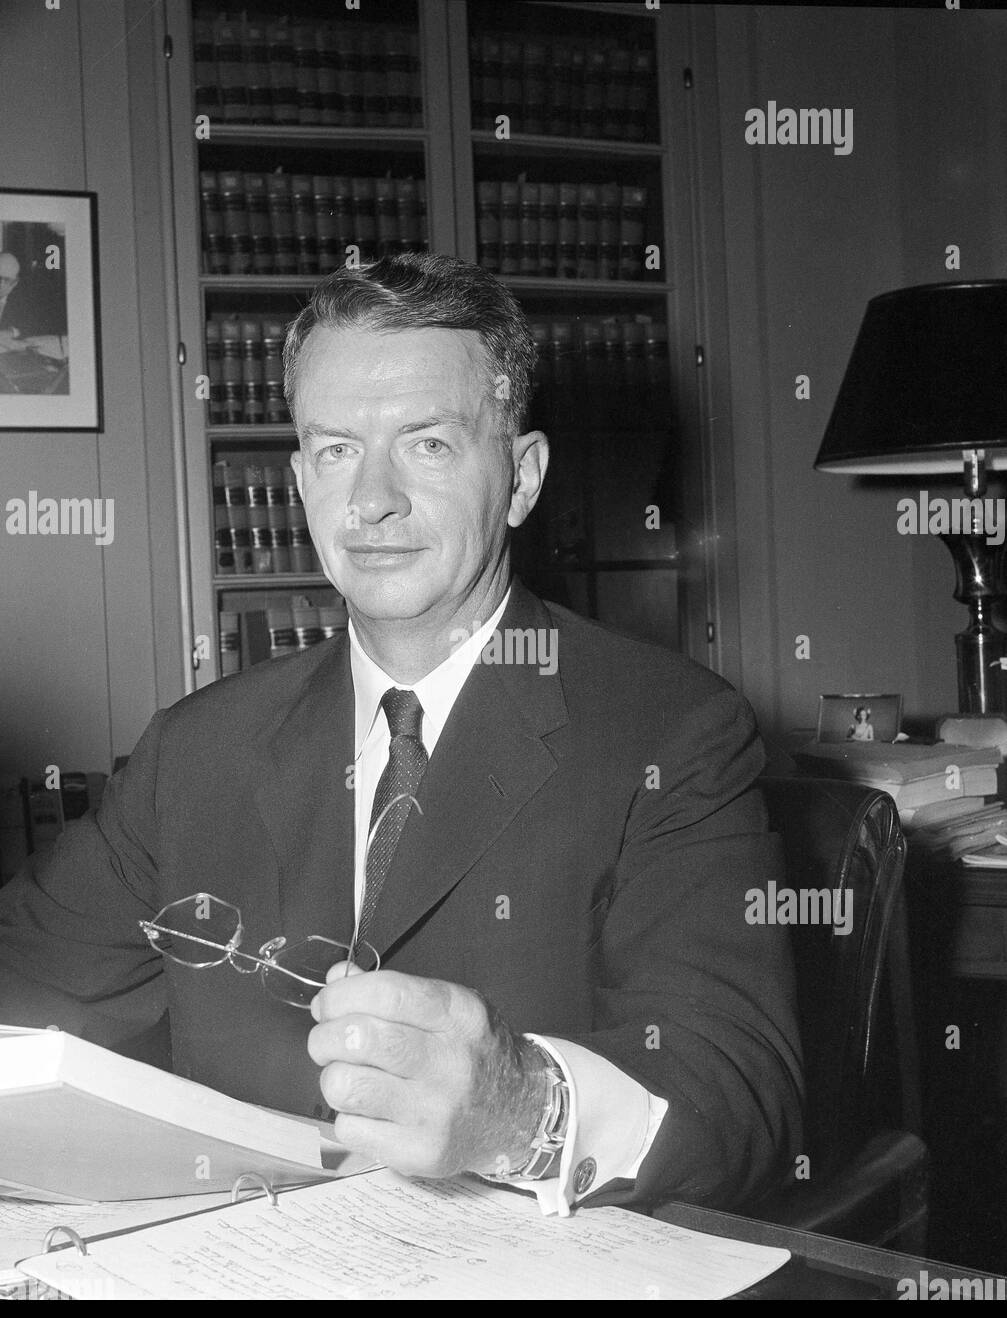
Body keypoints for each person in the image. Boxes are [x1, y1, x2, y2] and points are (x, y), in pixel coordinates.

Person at [0, 253, 802, 1217]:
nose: (370, 500)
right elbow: (24, 983)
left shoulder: (673, 731)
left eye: (426, 444)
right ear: (298, 480)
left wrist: (522, 1109)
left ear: (521, 476)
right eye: (336, 448)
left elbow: (741, 1097)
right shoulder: (193, 750)